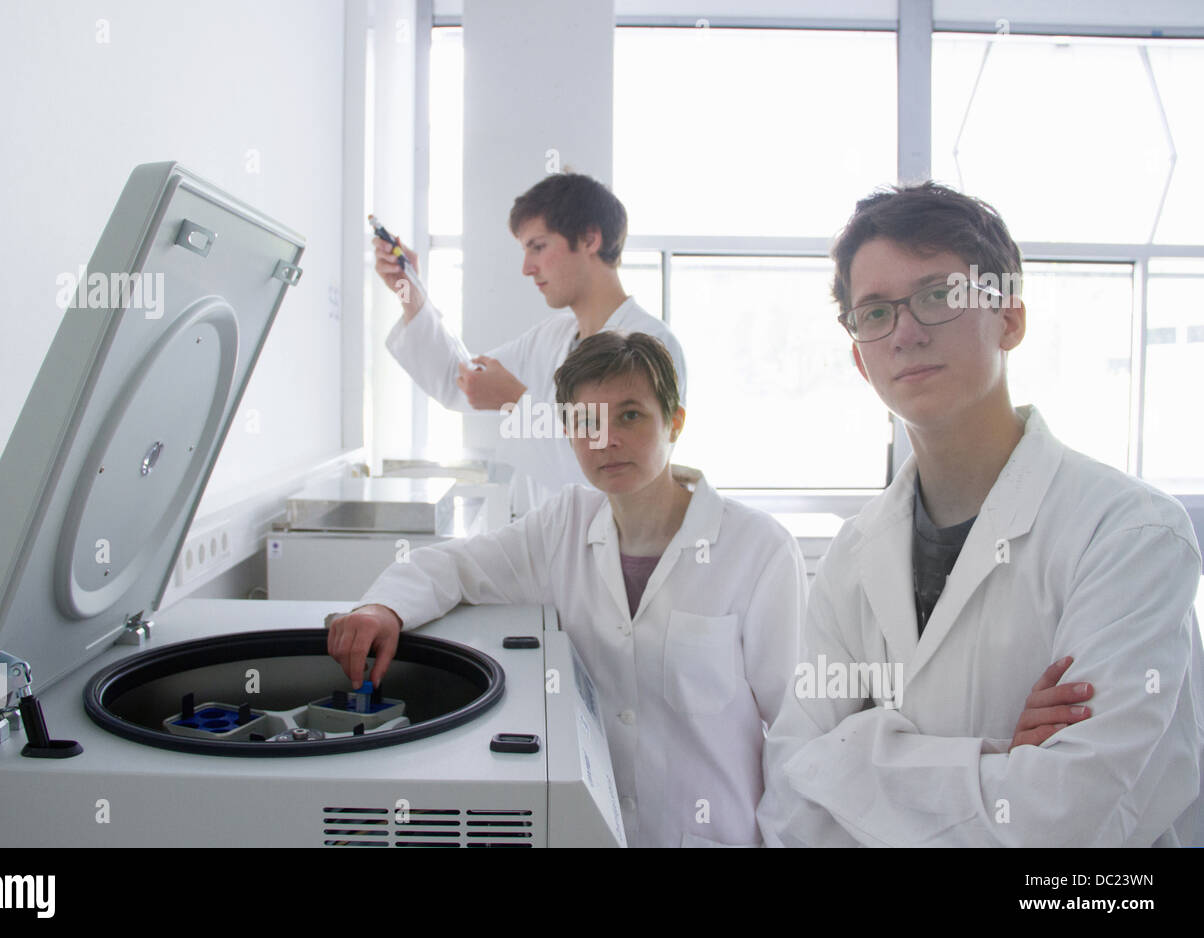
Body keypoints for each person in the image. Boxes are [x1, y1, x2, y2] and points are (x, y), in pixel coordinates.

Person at [760, 181, 1204, 847]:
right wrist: (993, 760)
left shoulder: (1130, 534)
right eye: (875, 313)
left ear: (1011, 319)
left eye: (938, 295)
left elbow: (1066, 818)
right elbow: (790, 797)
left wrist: (860, 763)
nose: (906, 332)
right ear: (860, 356)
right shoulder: (854, 555)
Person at [327, 332, 804, 847]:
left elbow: (797, 731)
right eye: (585, 423)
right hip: (592, 830)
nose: (605, 440)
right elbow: (457, 566)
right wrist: (382, 607)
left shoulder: (758, 549)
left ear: (676, 422)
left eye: (630, 416)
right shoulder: (565, 524)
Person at [376, 172, 687, 514]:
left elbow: (609, 462)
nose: (526, 268)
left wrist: (513, 402)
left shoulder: (652, 344)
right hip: (545, 543)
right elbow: (459, 379)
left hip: (610, 552)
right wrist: (409, 290)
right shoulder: (550, 338)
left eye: (538, 247)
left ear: (589, 239)